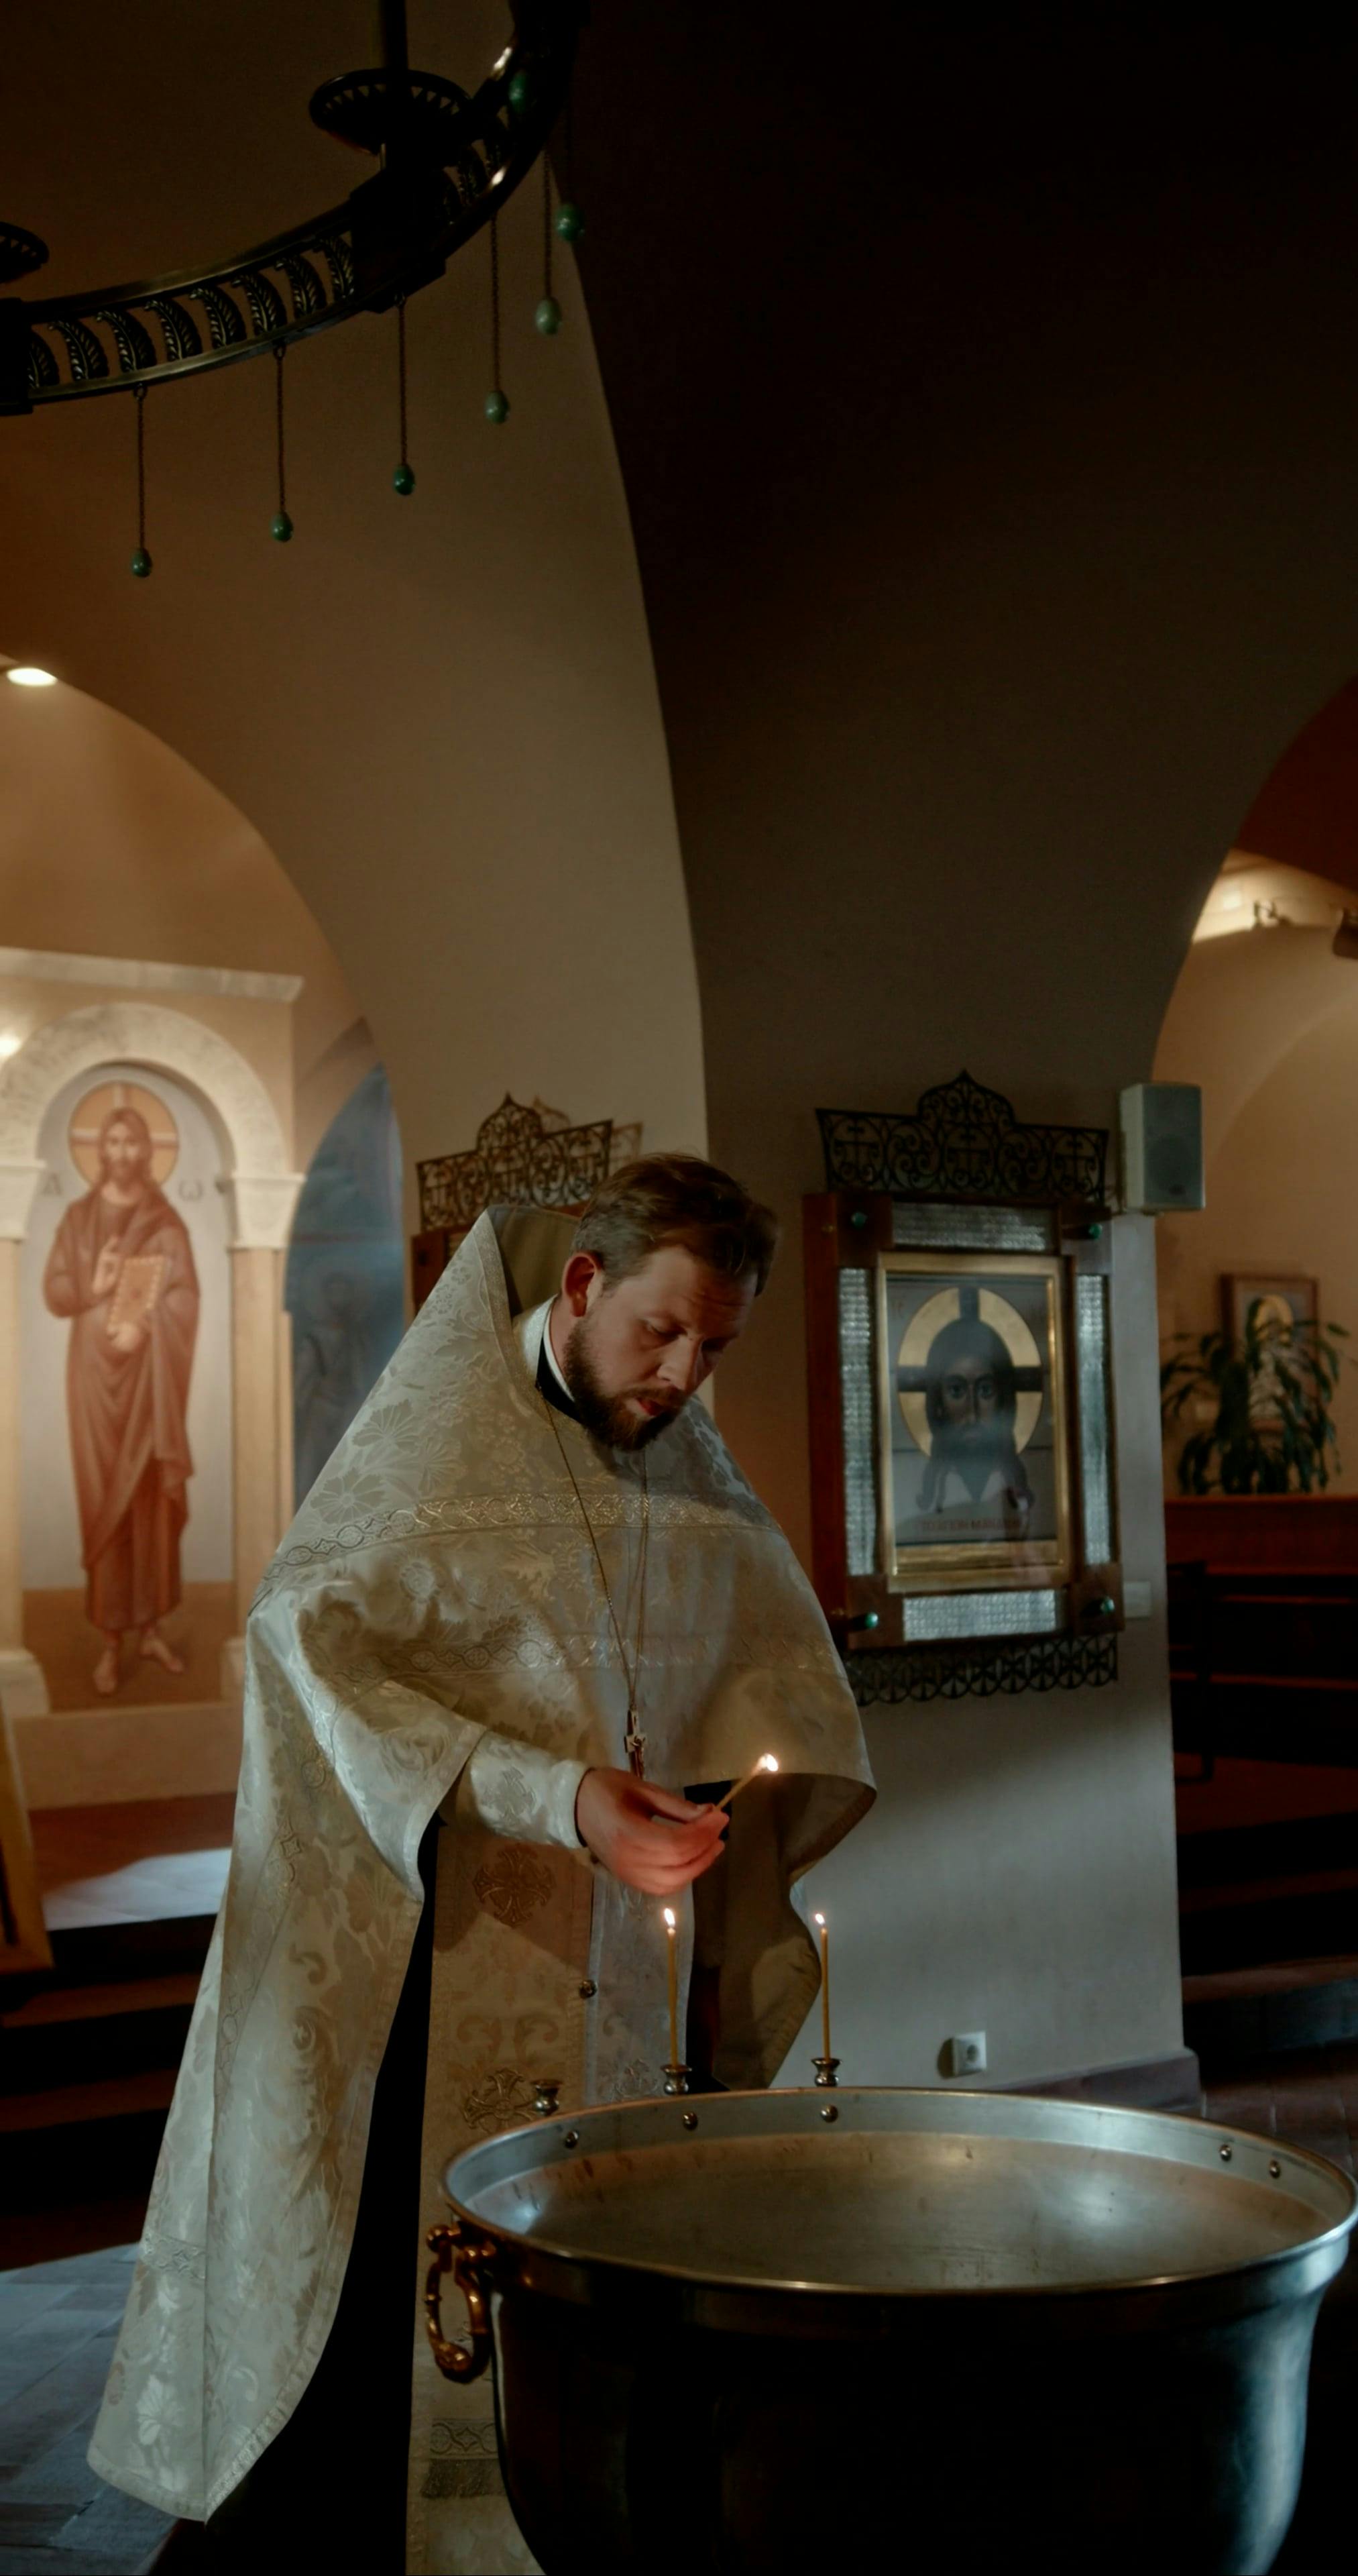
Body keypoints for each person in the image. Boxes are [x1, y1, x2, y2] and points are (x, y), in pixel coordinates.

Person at [90, 1156, 874, 2575]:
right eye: (661, 1330)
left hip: (624, 1967)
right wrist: (558, 1795)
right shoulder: (431, 1454)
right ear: (582, 1286)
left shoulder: (678, 1467)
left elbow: (754, 1649)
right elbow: (310, 1654)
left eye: (716, 1345)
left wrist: (722, 1802)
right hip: (427, 1966)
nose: (685, 1375)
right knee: (389, 2335)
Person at [42, 1104, 199, 1697]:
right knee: (105, 1497)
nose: (123, 1153)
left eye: (134, 1142)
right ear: (99, 1151)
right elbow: (57, 1291)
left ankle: (151, 1629)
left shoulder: (166, 1220)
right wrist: (96, 1287)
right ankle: (111, 1642)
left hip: (149, 1380)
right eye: (113, 1142)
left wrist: (149, 1325)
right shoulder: (79, 1218)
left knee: (148, 1499)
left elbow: (185, 1294)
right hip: (92, 1375)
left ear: (147, 1151)